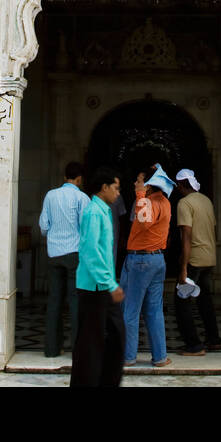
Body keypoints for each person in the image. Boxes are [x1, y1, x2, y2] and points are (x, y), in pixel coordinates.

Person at [70, 165, 124, 387]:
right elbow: (91, 252)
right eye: (116, 188)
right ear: (104, 187)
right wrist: (110, 284)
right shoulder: (93, 212)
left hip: (102, 287)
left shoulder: (102, 211)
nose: (118, 193)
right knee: (91, 344)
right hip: (95, 288)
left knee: (114, 337)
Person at [121, 163, 174, 368]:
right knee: (154, 310)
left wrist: (140, 195)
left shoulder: (149, 202)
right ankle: (159, 356)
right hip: (156, 260)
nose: (136, 183)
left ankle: (128, 356)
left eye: (140, 180)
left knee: (130, 310)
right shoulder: (165, 202)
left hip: (141, 261)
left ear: (149, 185)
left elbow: (143, 222)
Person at [38, 160, 89, 356]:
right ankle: (77, 348)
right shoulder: (82, 198)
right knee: (75, 301)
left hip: (54, 254)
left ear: (64, 177)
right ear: (79, 179)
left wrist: (53, 236)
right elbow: (85, 228)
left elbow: (43, 226)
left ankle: (51, 348)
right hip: (74, 254)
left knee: (54, 301)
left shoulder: (51, 196)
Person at [174, 168, 221, 355]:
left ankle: (194, 345)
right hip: (209, 257)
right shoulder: (206, 200)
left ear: (180, 185)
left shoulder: (184, 204)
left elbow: (186, 235)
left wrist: (183, 267)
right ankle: (214, 339)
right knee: (204, 300)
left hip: (194, 259)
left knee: (181, 302)